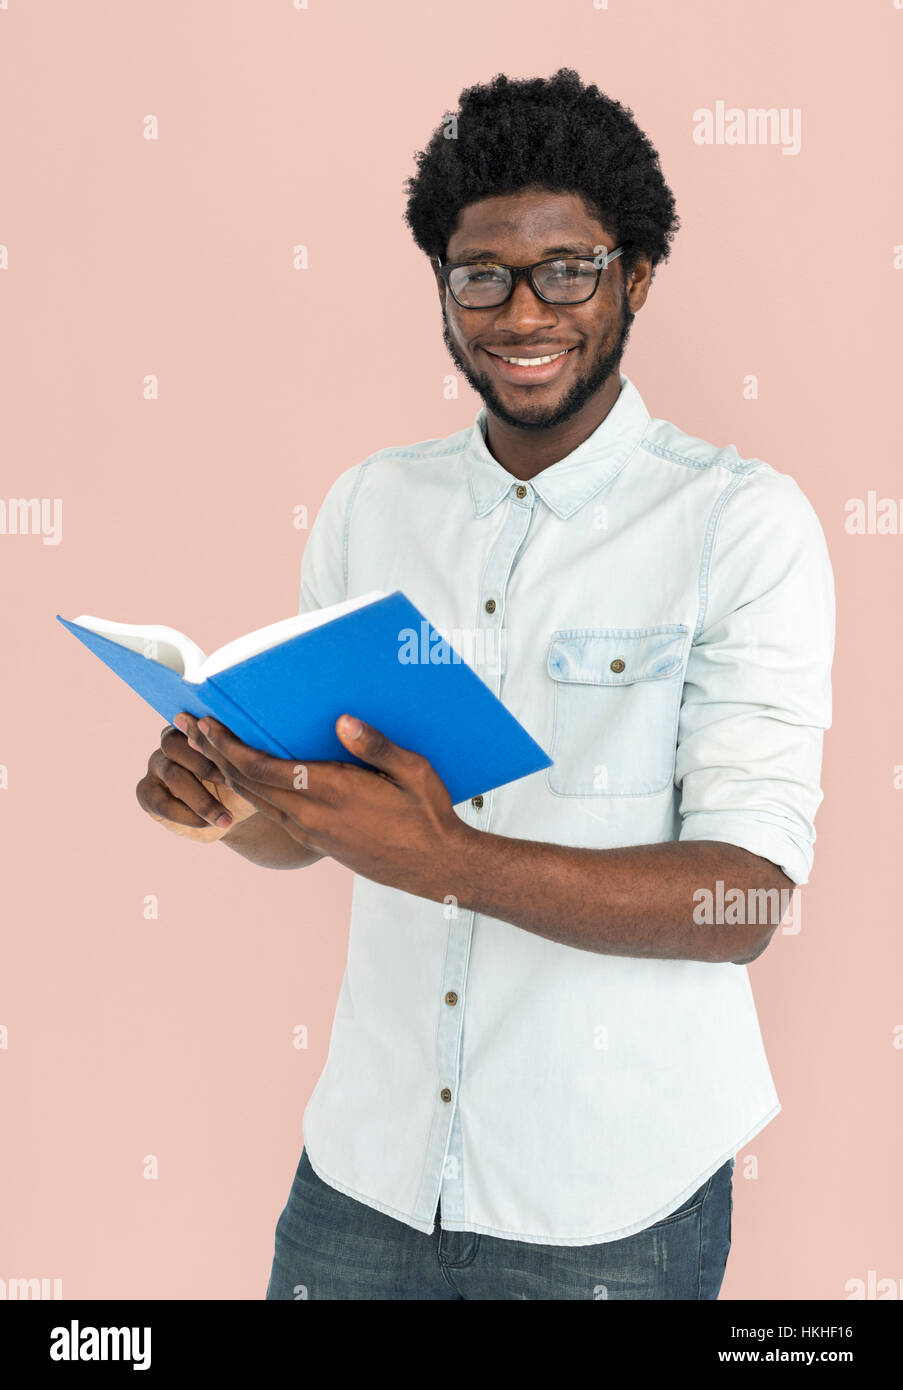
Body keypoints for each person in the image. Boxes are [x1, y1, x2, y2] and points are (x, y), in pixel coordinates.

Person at [136, 69, 835, 1300]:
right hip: (364, 1176)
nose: (523, 312)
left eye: (568, 268)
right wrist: (237, 805)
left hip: (610, 1204)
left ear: (638, 277)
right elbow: (320, 821)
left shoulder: (743, 525)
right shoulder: (371, 505)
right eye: (482, 275)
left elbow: (747, 904)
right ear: (443, 290)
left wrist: (447, 858)